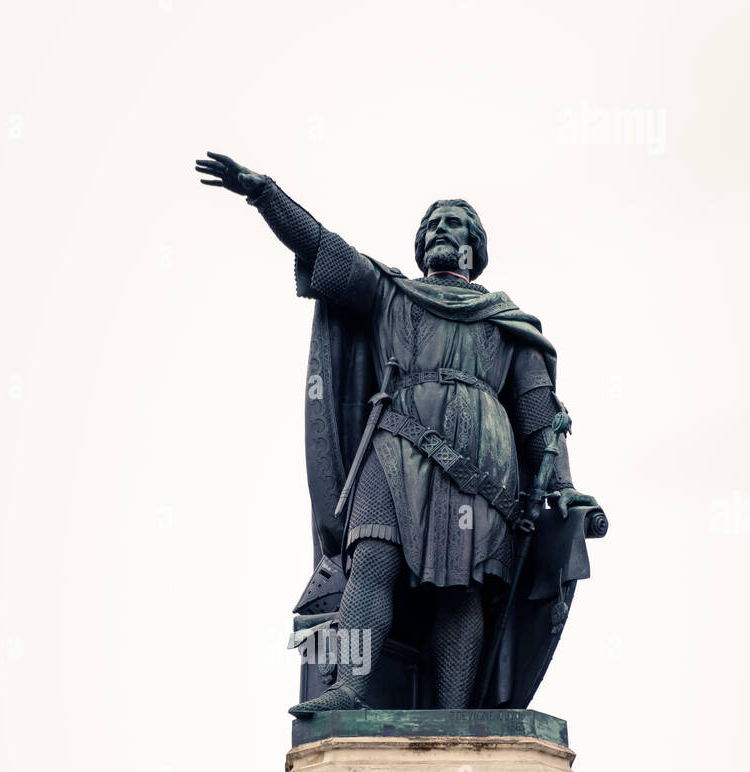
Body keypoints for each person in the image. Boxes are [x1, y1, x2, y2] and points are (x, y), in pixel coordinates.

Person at [195, 151, 600, 713]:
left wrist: (560, 484)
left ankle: (454, 715)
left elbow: (537, 413)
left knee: (463, 587)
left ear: (474, 248)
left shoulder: (508, 322)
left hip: (482, 462)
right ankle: (351, 687)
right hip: (395, 444)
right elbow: (319, 246)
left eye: (452, 222)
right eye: (431, 223)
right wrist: (265, 193)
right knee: (373, 560)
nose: (439, 229)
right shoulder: (389, 293)